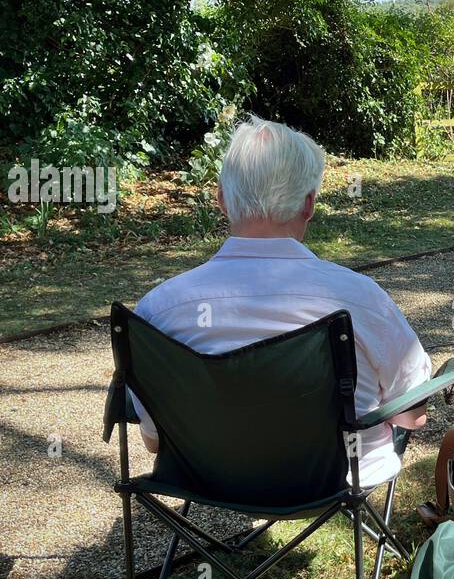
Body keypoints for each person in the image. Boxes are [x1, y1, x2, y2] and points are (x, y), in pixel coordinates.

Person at [128, 115, 431, 489]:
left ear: (221, 200)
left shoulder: (158, 311)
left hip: (206, 479)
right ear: (308, 204)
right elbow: (412, 416)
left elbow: (154, 440)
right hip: (337, 480)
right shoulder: (360, 299)